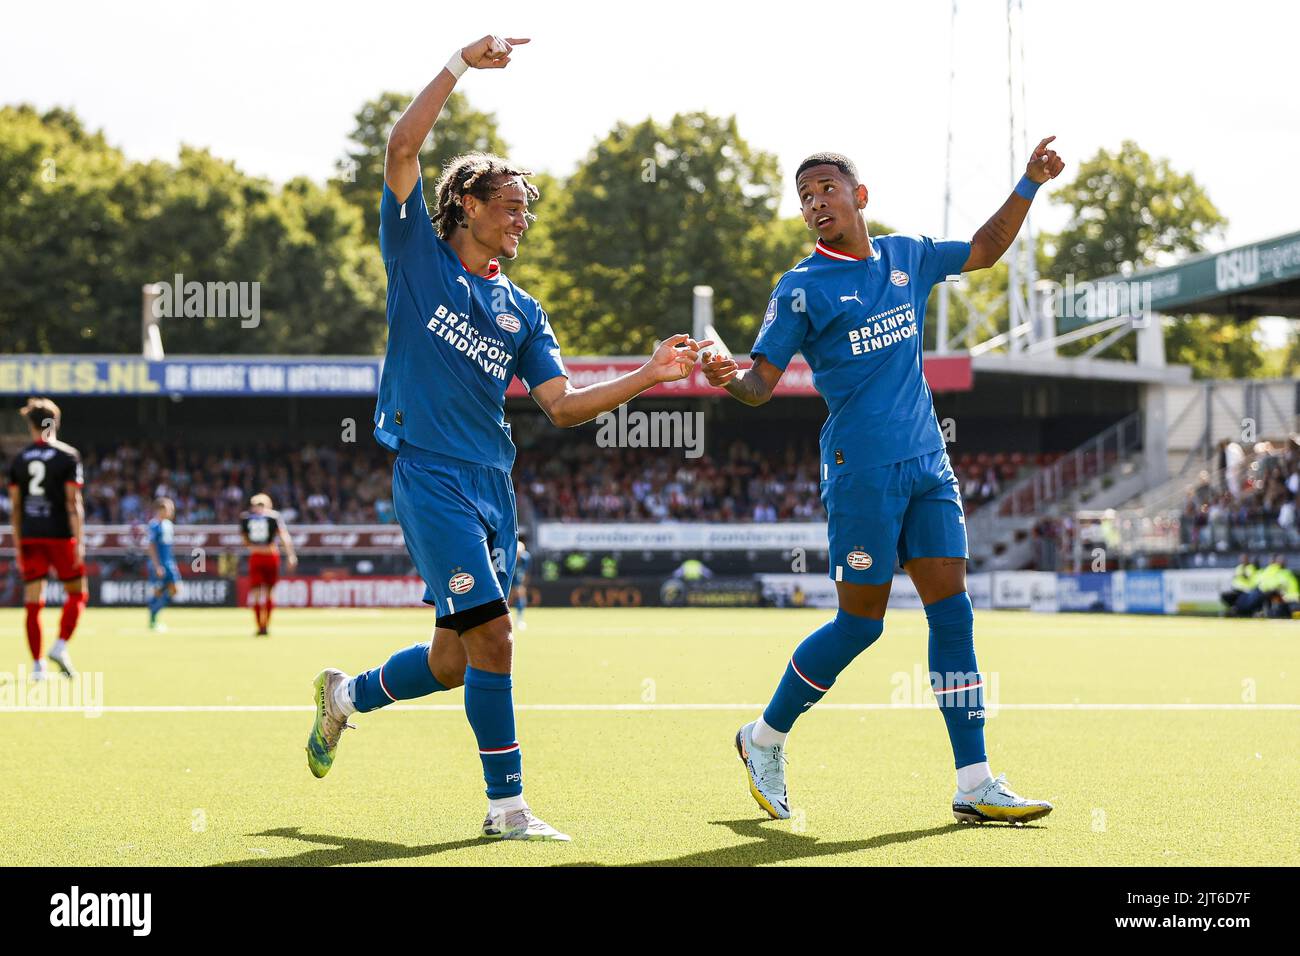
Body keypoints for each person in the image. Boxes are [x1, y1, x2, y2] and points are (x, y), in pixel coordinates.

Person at [304, 34, 707, 841]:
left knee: (456, 660)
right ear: (468, 208)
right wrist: (457, 65)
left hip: (495, 488)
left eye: (527, 205)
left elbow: (559, 405)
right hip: (432, 474)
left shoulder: (525, 310)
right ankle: (508, 810)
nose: (524, 217)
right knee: (496, 633)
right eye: (512, 203)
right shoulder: (416, 253)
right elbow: (402, 146)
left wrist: (648, 375)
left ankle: (343, 699)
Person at [703, 138, 1065, 825]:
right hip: (860, 472)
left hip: (929, 465)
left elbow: (985, 250)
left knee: (952, 613)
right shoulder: (800, 288)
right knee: (859, 625)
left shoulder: (907, 257)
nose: (815, 203)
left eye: (826, 190)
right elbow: (758, 385)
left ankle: (975, 781)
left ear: (858, 196)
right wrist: (728, 379)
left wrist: (1029, 183)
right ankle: (763, 739)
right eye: (805, 196)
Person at [7, 398, 86, 678]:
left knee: (32, 601)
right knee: (77, 593)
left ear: (30, 425)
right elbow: (72, 503)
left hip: (30, 535)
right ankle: (60, 645)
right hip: (61, 535)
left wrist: (18, 543)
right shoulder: (67, 456)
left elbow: (15, 507)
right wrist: (80, 541)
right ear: (56, 423)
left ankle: (37, 665)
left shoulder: (19, 459)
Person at [240, 493, 298, 637]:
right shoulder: (273, 517)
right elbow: (284, 536)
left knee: (259, 593)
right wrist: (290, 554)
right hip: (270, 554)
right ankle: (264, 626)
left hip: (257, 555)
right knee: (268, 593)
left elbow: (245, 540)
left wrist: (254, 547)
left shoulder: (246, 519)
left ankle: (261, 626)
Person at [146, 497, 180, 632]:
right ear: (160, 510)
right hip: (159, 564)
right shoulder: (154, 525)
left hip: (169, 563)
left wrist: (172, 563)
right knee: (159, 592)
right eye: (168, 509)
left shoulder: (168, 525)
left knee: (175, 589)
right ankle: (153, 619)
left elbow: (168, 548)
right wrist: (156, 565)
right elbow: (152, 547)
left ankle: (153, 610)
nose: (171, 511)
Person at [510, 535, 530, 630]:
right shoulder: (509, 558)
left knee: (520, 596)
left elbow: (525, 572)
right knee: (508, 599)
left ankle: (519, 618)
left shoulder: (525, 558)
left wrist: (523, 584)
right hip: (509, 578)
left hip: (517, 579)